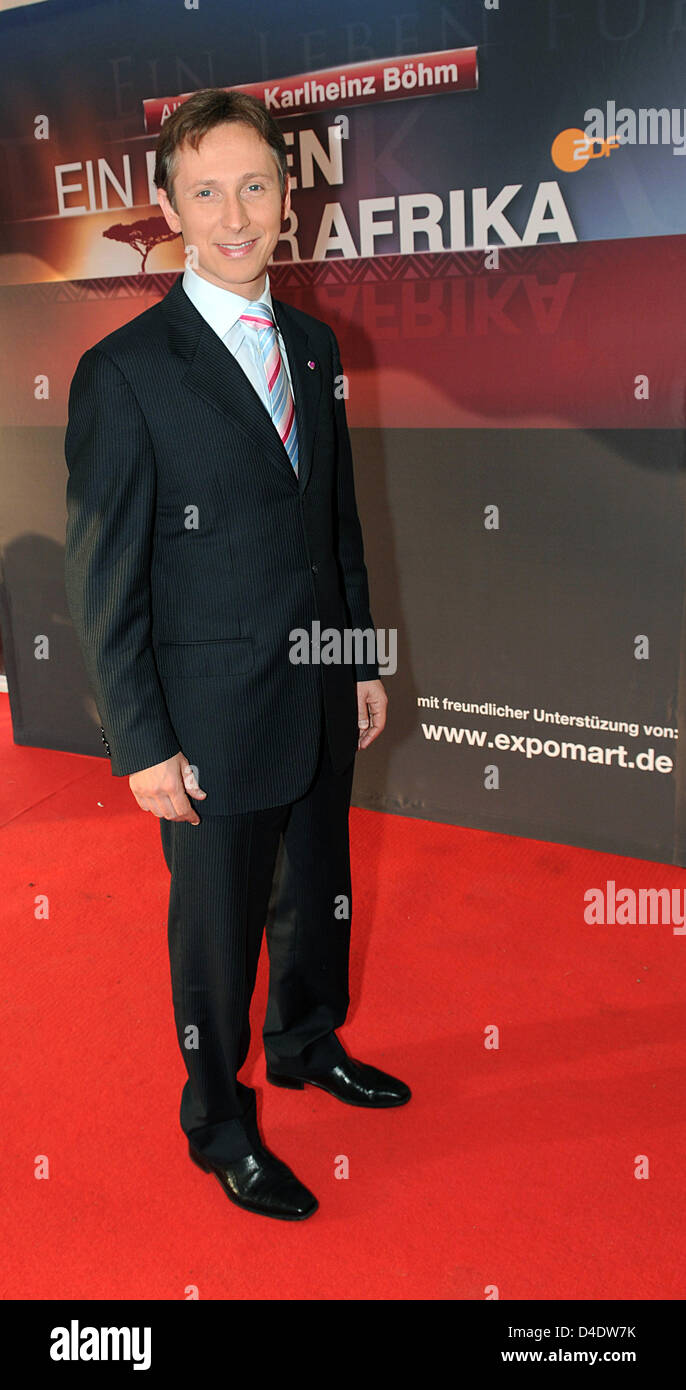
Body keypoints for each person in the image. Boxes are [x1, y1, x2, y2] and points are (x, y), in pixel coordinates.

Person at [64, 88, 410, 1223]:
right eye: (205, 191)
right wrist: (142, 740)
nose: (234, 214)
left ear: (285, 195)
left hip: (315, 685)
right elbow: (106, 572)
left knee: (319, 891)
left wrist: (355, 656)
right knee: (213, 934)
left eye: (254, 185)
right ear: (170, 207)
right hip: (207, 715)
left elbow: (335, 522)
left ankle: (307, 1042)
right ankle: (217, 1119)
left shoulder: (313, 347)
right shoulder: (125, 372)